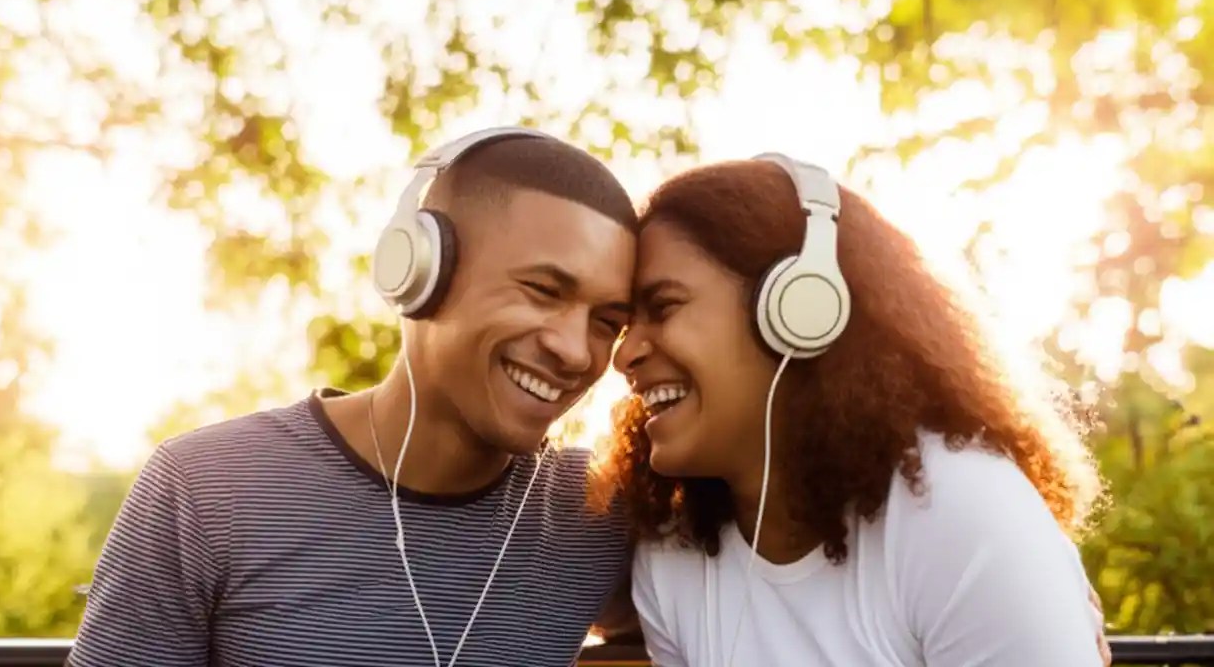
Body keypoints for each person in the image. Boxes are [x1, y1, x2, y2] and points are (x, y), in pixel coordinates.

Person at [67, 127, 641, 666]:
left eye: (605, 322)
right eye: (542, 291)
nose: (574, 351)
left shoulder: (599, 515)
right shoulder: (204, 487)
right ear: (421, 273)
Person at [596, 154, 1111, 666]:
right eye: (624, 324)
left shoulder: (960, 511)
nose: (625, 355)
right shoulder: (670, 555)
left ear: (799, 311)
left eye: (663, 307)